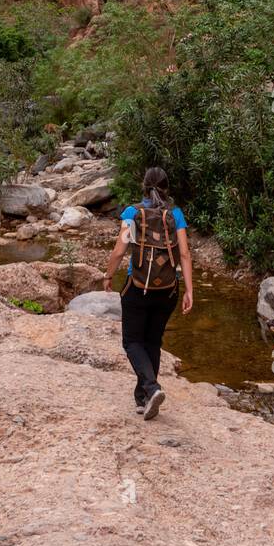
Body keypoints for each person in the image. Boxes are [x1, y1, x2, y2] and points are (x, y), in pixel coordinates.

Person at [102, 167, 193, 419]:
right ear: (167, 187)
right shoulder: (176, 214)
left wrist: (108, 275)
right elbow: (184, 253)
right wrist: (189, 290)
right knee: (153, 341)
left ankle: (151, 388)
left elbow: (120, 250)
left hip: (138, 288)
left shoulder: (133, 213)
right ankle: (143, 396)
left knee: (132, 342)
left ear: (143, 186)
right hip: (168, 290)